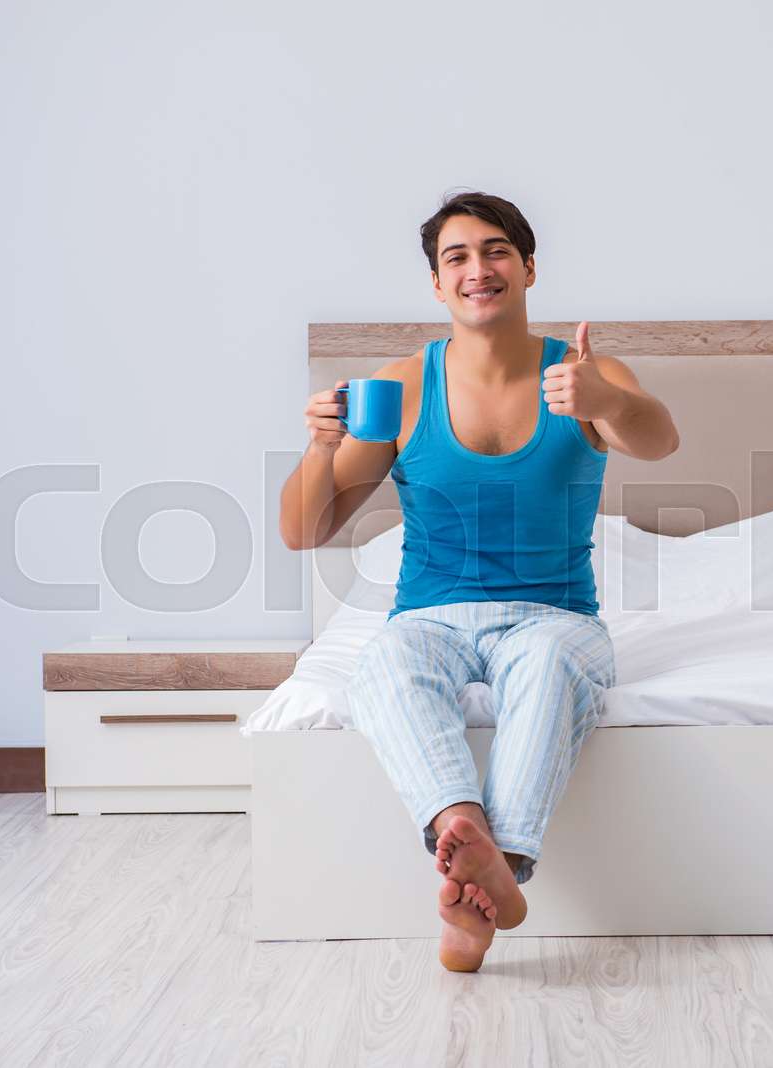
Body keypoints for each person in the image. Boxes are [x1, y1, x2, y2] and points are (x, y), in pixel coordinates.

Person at [278, 191, 680, 972]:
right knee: (384, 666)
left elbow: (660, 441)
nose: (478, 269)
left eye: (495, 251)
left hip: (555, 616)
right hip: (428, 617)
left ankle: (487, 877)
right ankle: (476, 846)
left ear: (528, 268)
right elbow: (305, 530)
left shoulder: (584, 373)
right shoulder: (399, 387)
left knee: (547, 664)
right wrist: (320, 449)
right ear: (436, 284)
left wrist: (606, 401)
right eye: (456, 257)